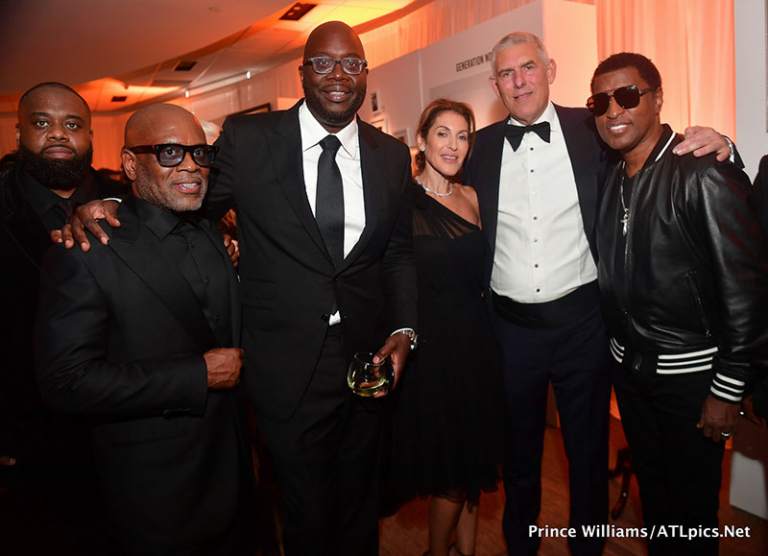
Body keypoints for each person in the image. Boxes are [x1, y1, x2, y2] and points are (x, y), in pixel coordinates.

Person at [55, 21, 417, 555]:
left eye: (351, 63)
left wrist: (404, 330)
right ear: (302, 73)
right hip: (284, 365)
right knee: (306, 513)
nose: (338, 75)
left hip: (367, 360)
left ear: (365, 72)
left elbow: (398, 253)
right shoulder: (250, 140)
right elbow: (185, 192)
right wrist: (111, 203)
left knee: (362, 503)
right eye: (323, 63)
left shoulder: (391, 155)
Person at [465, 32, 732, 555]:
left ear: (550, 70)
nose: (519, 81)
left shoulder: (595, 129)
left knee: (587, 455)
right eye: (506, 73)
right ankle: (521, 544)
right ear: (494, 85)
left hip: (584, 328)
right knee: (517, 456)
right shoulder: (481, 148)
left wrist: (722, 144)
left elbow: (657, 155)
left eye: (528, 68)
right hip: (511, 332)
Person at [34, 104, 254, 555]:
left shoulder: (210, 230)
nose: (191, 164)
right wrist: (196, 375)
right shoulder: (85, 250)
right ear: (131, 164)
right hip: (158, 492)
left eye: (199, 152)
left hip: (232, 476)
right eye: (170, 152)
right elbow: (64, 382)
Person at [589, 52, 768, 555]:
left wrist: (727, 389)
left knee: (692, 515)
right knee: (657, 504)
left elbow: (747, 289)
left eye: (628, 96)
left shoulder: (702, 171)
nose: (613, 110)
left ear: (658, 98)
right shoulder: (612, 178)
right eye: (600, 102)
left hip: (691, 382)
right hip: (631, 377)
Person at [0, 82, 125, 554]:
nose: (58, 134)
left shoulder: (134, 200)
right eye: (41, 123)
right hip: (31, 445)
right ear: (19, 134)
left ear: (90, 135)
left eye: (72, 124)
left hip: (134, 431)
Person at [390, 99, 504, 556]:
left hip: (478, 342)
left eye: (462, 136)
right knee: (451, 473)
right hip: (433, 350)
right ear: (421, 140)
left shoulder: (473, 197)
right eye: (443, 134)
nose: (453, 145)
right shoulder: (402, 203)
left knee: (474, 463)